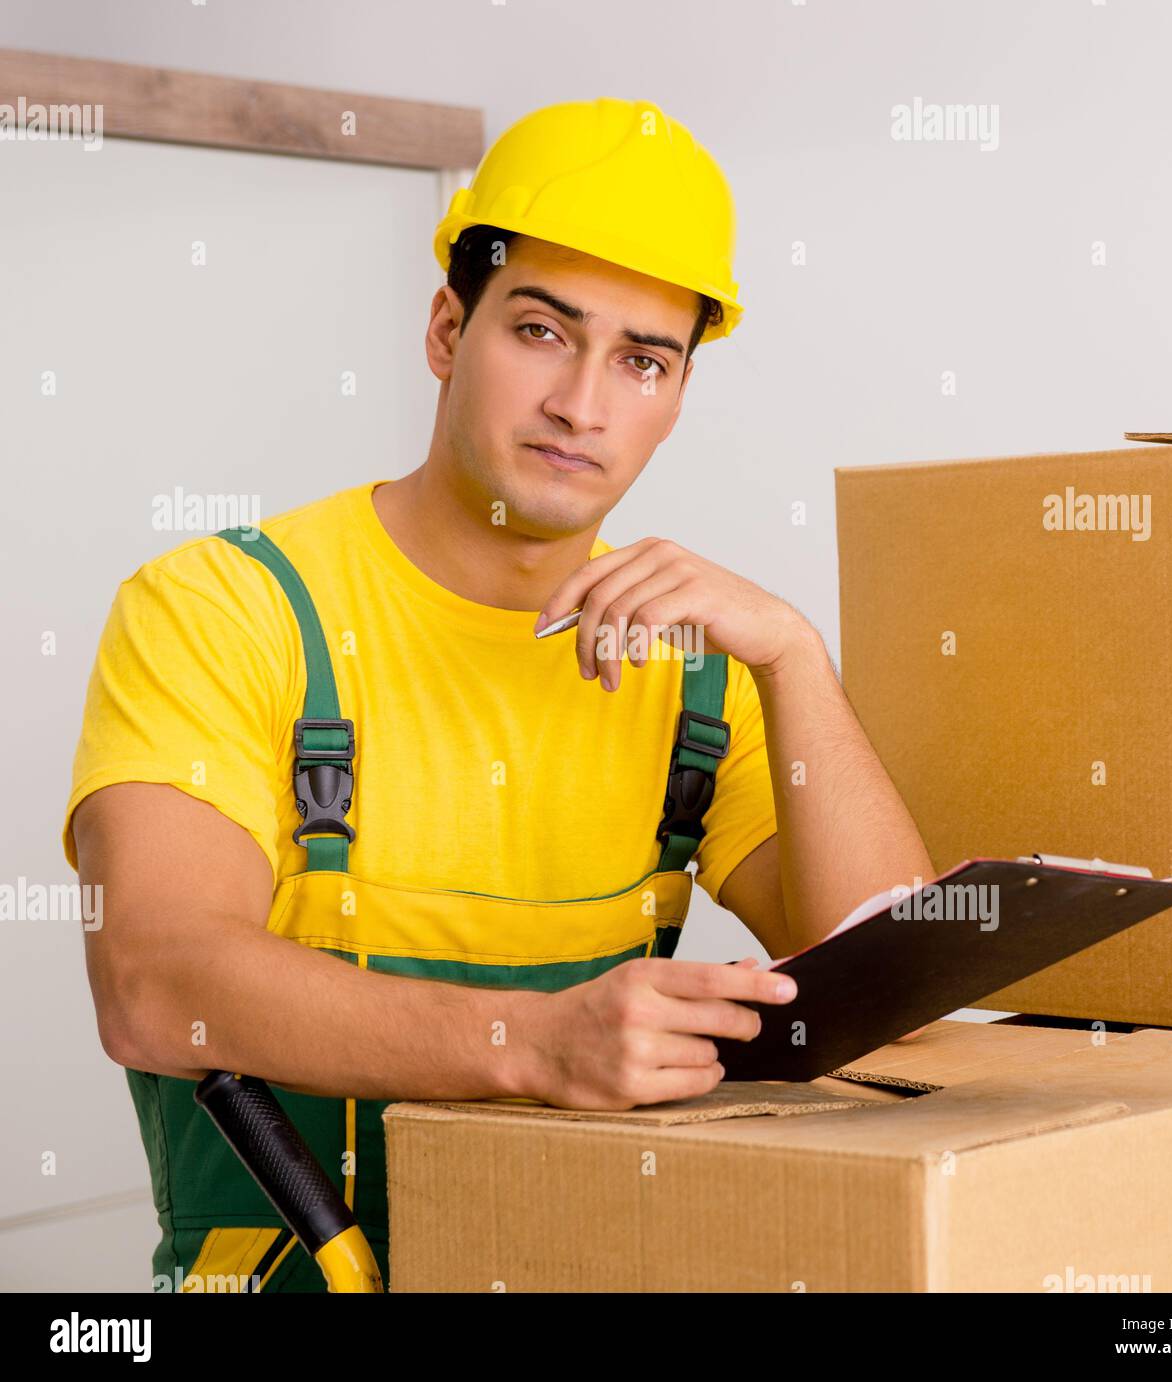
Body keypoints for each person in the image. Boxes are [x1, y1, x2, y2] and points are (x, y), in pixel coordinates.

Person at [64, 97, 934, 1292]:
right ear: (445, 329)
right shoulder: (225, 609)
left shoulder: (699, 669)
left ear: (678, 394)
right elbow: (153, 982)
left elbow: (894, 988)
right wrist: (540, 1044)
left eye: (642, 359)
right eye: (540, 330)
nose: (584, 403)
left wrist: (792, 654)